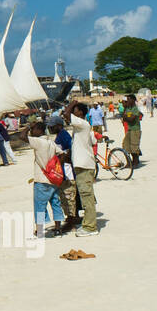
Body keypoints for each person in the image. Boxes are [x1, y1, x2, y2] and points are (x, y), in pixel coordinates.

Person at [63, 100, 99, 237]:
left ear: (81, 113)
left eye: (76, 110)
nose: (73, 112)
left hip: (84, 166)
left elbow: (66, 114)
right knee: (86, 196)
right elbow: (93, 141)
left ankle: (90, 227)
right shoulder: (84, 127)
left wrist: (72, 103)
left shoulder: (82, 124)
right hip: (84, 165)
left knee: (86, 196)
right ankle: (89, 222)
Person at [26, 121, 66, 236]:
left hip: (42, 179)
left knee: (39, 205)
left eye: (33, 129)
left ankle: (39, 230)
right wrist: (55, 168)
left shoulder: (38, 141)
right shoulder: (50, 142)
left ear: (39, 130)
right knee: (55, 203)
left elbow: (22, 136)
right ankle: (58, 228)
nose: (31, 132)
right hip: (53, 179)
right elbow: (62, 154)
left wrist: (29, 125)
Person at [121, 94, 143, 167]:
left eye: (129, 99)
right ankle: (129, 162)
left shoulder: (135, 109)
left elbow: (131, 119)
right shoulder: (127, 109)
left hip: (135, 130)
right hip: (130, 130)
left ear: (133, 100)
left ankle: (135, 162)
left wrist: (126, 117)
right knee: (125, 145)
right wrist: (126, 116)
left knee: (134, 147)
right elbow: (124, 119)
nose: (127, 101)